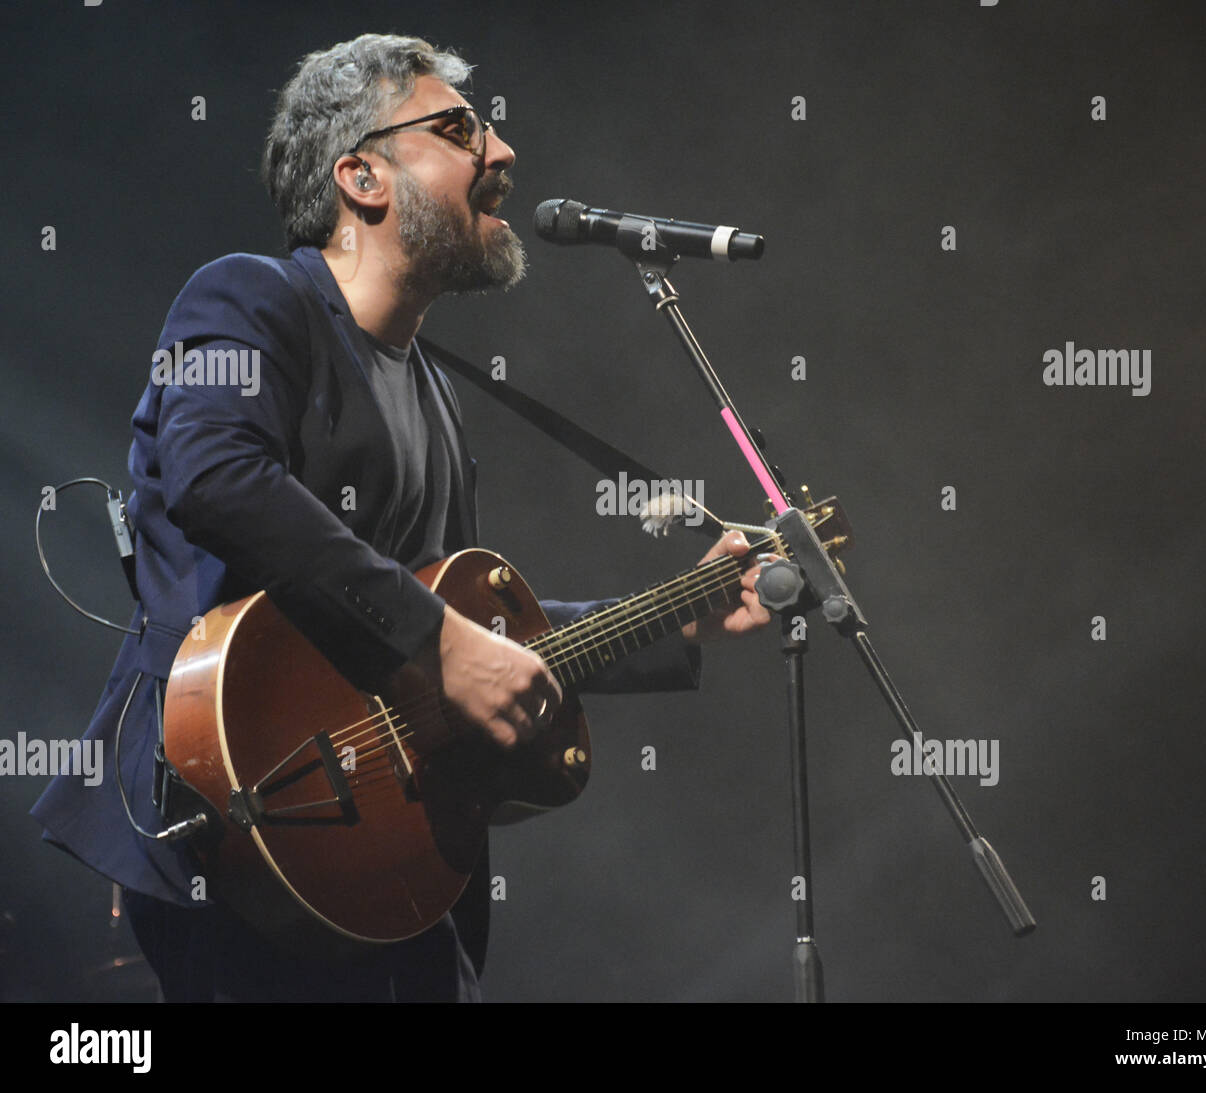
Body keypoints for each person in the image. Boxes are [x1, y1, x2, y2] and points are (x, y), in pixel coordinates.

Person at [31, 33, 769, 1001]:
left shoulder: (436, 394)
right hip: (254, 829)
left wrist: (686, 611)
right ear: (362, 176)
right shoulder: (249, 298)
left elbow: (456, 634)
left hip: (388, 873)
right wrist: (440, 641)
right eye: (460, 128)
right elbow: (218, 479)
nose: (500, 155)